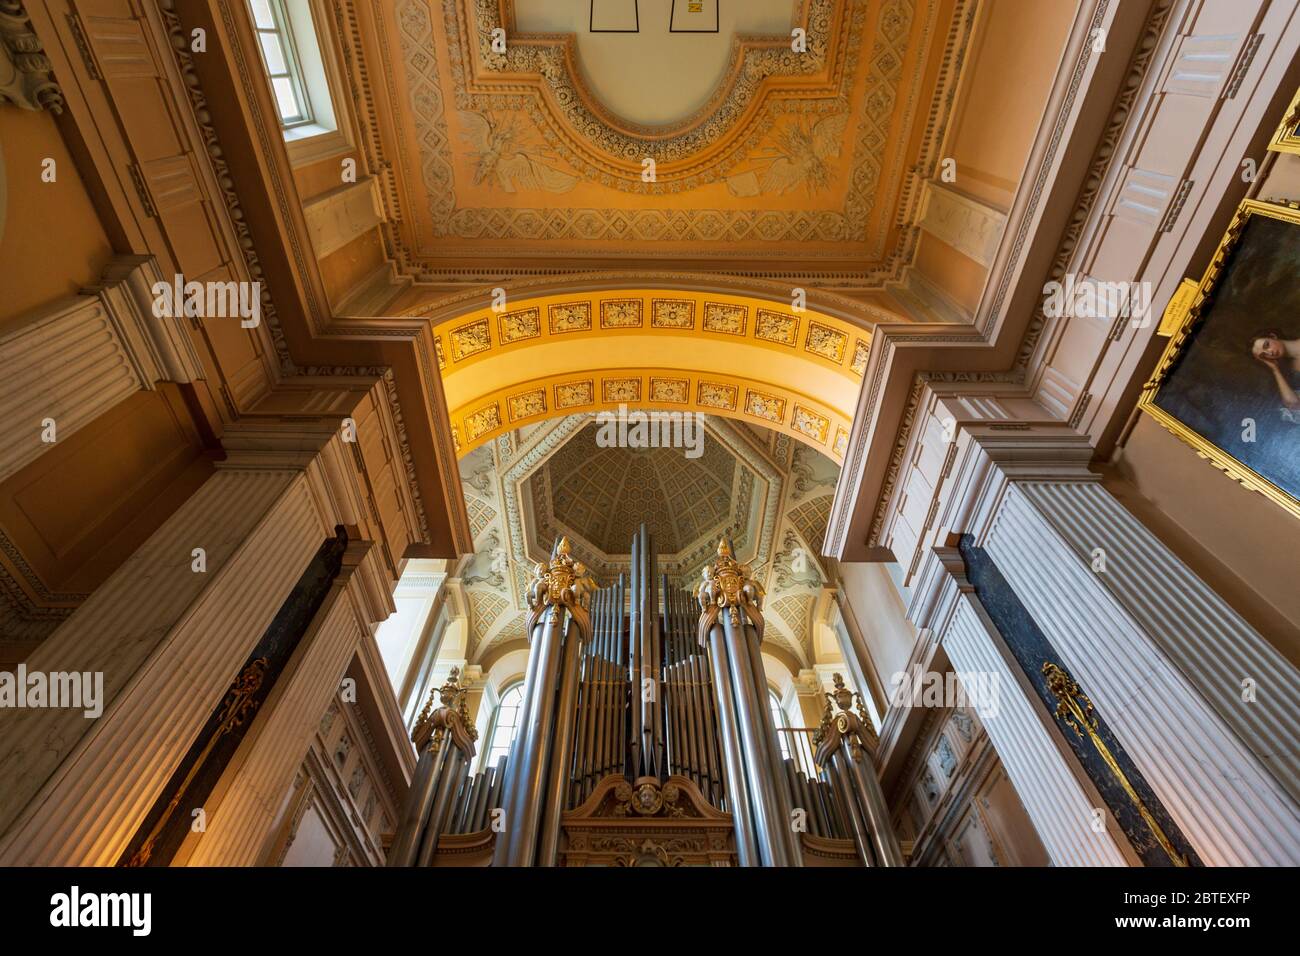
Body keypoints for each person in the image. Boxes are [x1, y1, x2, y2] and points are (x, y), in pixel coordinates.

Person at [1251, 330, 1300, 423]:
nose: (1270, 353)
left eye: (1266, 345)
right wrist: (1275, 369)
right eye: (1263, 355)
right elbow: (1294, 404)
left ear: (1273, 336)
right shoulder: (1291, 375)